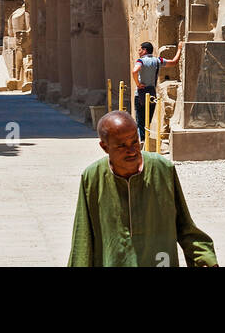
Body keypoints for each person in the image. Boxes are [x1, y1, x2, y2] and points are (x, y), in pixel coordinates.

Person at [68, 112, 216, 268]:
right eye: (122, 145)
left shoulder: (162, 169)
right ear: (105, 147)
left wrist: (204, 258)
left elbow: (184, 226)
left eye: (134, 141)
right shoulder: (92, 177)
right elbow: (83, 239)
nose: (132, 150)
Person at [132, 41, 182, 143]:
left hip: (140, 94)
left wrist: (138, 84)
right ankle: (146, 140)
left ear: (145, 50)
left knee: (140, 120)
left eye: (140, 49)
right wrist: (180, 49)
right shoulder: (158, 60)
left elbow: (134, 71)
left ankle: (143, 141)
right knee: (148, 120)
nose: (138, 52)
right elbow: (174, 62)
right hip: (151, 93)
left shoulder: (140, 61)